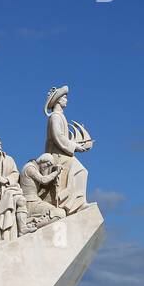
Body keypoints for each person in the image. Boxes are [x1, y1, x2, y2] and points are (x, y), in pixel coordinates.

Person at [44, 85, 92, 213]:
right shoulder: (55, 116)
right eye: (65, 97)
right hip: (57, 156)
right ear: (59, 100)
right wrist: (75, 146)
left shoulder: (60, 116)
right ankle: (74, 203)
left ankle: (78, 202)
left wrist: (77, 144)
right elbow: (57, 136)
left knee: (81, 171)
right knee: (81, 171)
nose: (67, 100)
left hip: (63, 153)